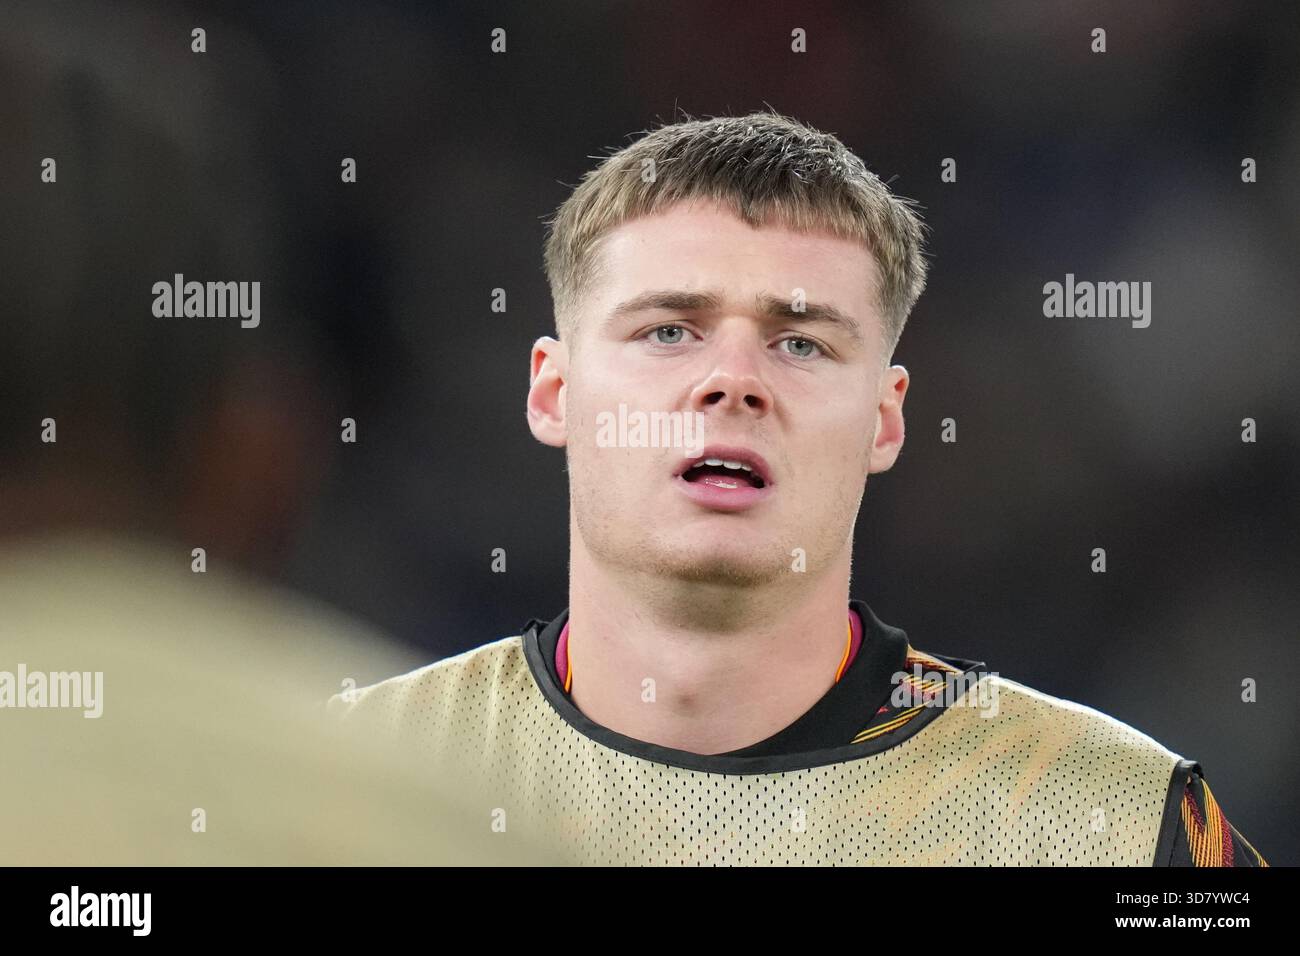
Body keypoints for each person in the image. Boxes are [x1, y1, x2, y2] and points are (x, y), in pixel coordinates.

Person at [330, 110, 1266, 866]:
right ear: (555, 392)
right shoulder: (342, 782)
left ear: (885, 420)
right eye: (669, 330)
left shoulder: (1111, 827)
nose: (732, 380)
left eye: (801, 342)